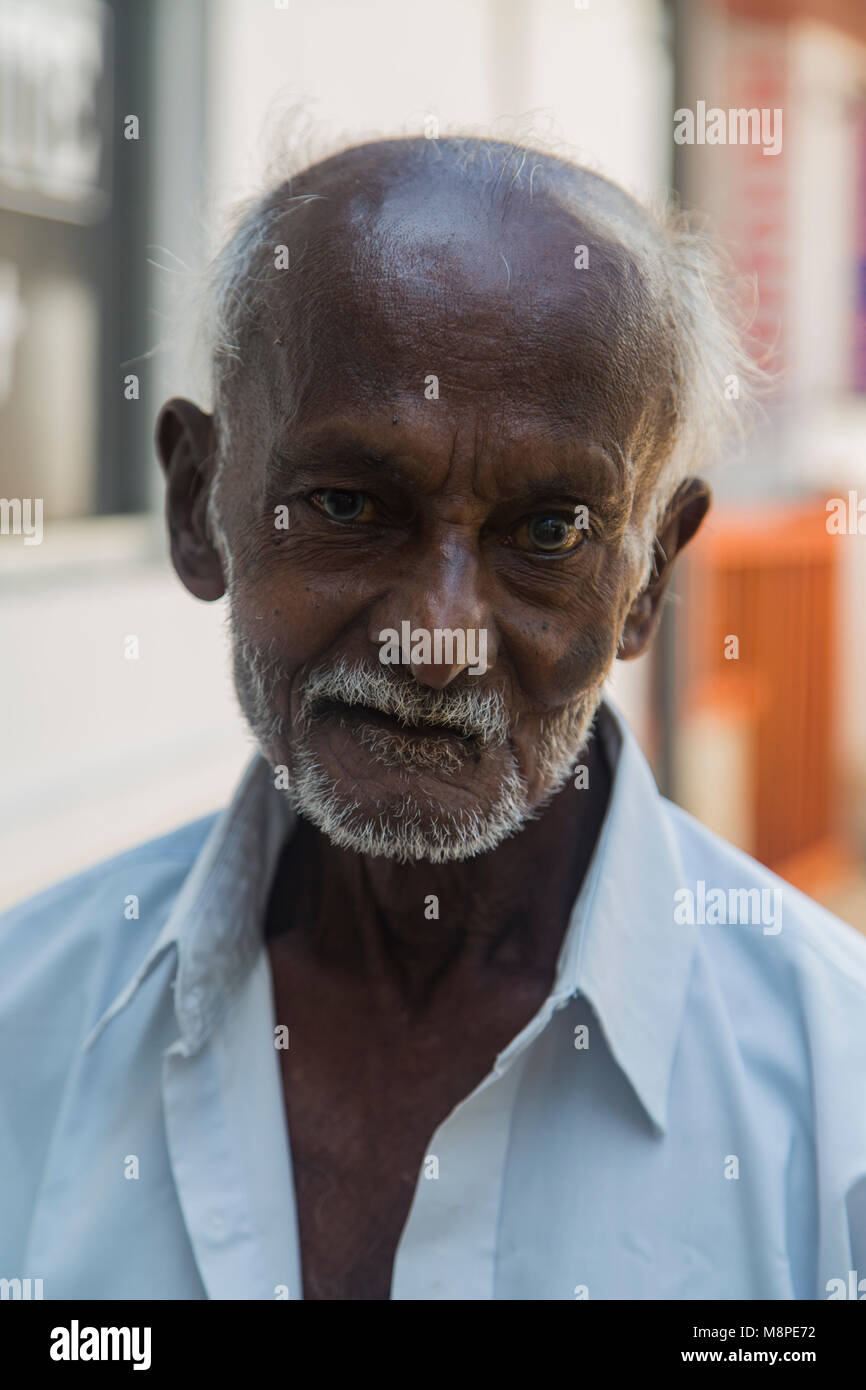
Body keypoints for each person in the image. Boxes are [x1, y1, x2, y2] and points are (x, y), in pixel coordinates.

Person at [2, 137, 865, 1301]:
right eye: (350, 505)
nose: (440, 634)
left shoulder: (834, 1094)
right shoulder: (29, 1024)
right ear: (200, 504)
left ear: (649, 580)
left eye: (549, 532)